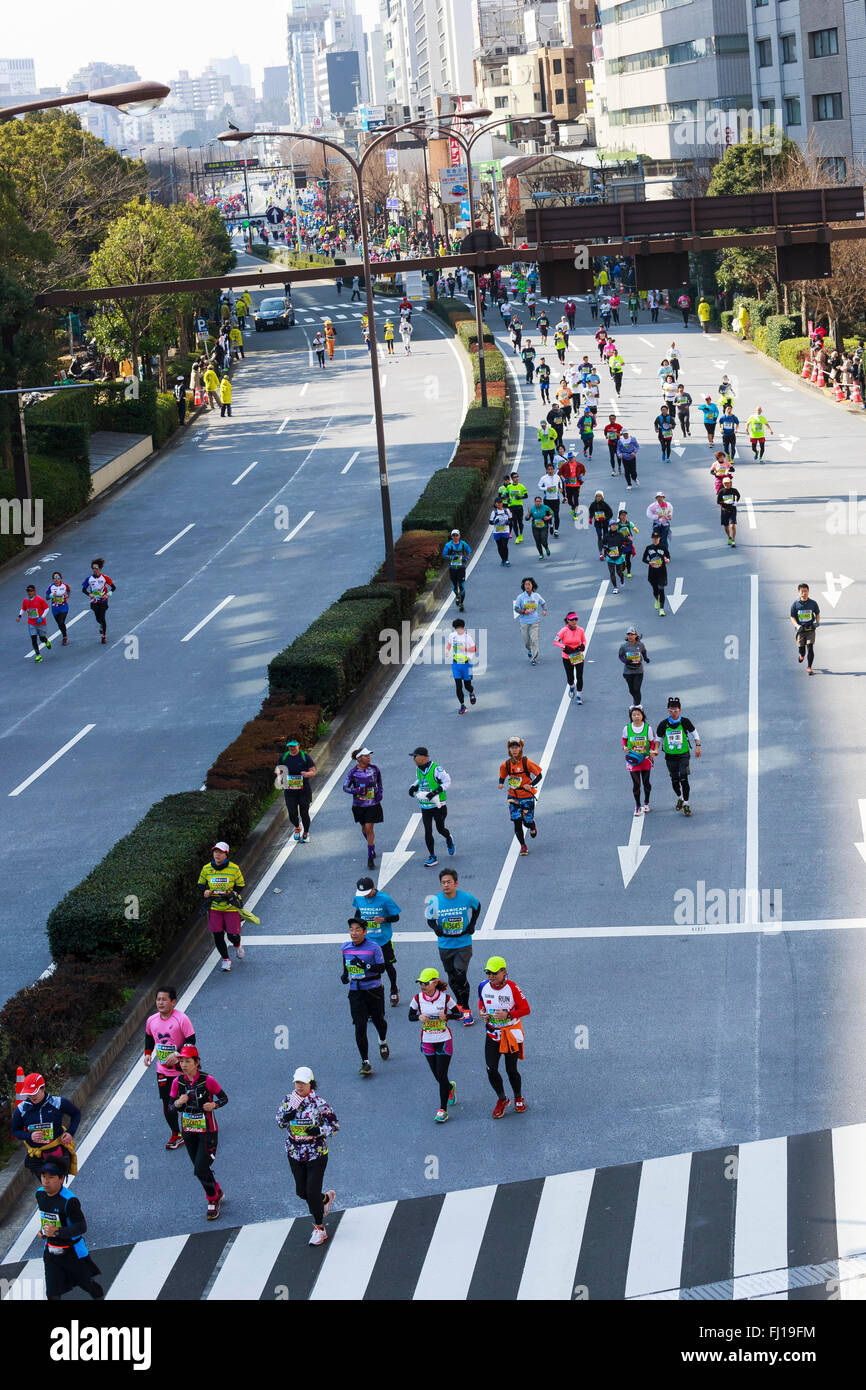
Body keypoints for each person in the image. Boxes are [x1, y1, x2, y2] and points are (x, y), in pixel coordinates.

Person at [276, 1067, 339, 1245]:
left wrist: (319, 1130)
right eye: (297, 1082)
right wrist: (285, 1117)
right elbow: (279, 1121)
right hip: (295, 1152)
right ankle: (324, 1199)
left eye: (303, 1083)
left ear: (311, 1084)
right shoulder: (289, 1101)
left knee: (311, 1192)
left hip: (315, 1153)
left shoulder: (319, 1103)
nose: (299, 1086)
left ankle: (320, 1228)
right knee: (301, 1192)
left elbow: (334, 1125)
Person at [169, 1045, 228, 1220]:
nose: (184, 1065)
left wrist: (214, 1105)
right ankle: (216, 1189)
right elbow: (170, 1108)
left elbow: (224, 1098)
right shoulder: (177, 1082)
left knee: (200, 1169)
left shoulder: (208, 1080)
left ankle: (212, 1200)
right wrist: (179, 1103)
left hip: (207, 1131)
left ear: (197, 1062)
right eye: (181, 1061)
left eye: (188, 1061)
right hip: (188, 1131)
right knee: (199, 1167)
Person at [35, 1164, 103, 1301]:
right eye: (43, 1176)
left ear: (61, 1179)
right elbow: (47, 1218)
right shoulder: (40, 1194)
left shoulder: (69, 1201)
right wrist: (43, 1232)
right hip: (51, 1252)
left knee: (87, 1284)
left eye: (51, 1177)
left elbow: (81, 1227)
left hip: (73, 1252)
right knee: (52, 1294)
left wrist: (57, 1232)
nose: (46, 1181)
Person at [425, 868, 481, 1024]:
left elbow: (477, 906)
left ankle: (466, 1008)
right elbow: (429, 918)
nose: (446, 885)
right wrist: (435, 927)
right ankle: (459, 1004)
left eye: (449, 882)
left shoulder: (466, 898)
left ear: (456, 883)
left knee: (460, 974)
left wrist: (472, 924)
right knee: (451, 976)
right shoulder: (435, 901)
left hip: (463, 942)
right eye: (443, 882)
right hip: (445, 944)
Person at [143, 986, 196, 1150]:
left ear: (173, 1002)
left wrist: (178, 1054)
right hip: (163, 1071)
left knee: (189, 1101)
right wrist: (147, 1053)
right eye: (158, 999)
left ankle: (197, 1127)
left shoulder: (182, 1019)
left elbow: (191, 1040)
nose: (160, 1002)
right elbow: (149, 1037)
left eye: (164, 999)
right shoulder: (151, 1020)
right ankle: (176, 1133)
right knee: (168, 1104)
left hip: (184, 1069)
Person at [478, 957, 531, 1119]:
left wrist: (508, 1014)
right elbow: (481, 1002)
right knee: (491, 1069)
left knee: (511, 1069)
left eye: (494, 973)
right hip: (492, 1034)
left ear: (504, 972)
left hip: (509, 1035)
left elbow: (526, 1009)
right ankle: (502, 1100)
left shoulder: (513, 988)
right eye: (488, 972)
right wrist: (482, 1013)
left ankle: (518, 1097)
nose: (491, 976)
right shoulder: (482, 986)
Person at [408, 969, 463, 1122]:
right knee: (438, 1076)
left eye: (425, 983)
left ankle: (443, 1110)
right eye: (420, 983)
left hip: (444, 1040)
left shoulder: (445, 998)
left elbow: (460, 1014)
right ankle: (450, 1087)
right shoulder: (417, 999)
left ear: (435, 983)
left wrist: (447, 1016)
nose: (422, 986)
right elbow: (410, 1016)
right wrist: (418, 1017)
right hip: (427, 1042)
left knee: (441, 1074)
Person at [341, 916, 389, 1075]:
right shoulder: (345, 947)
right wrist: (344, 975)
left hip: (374, 991)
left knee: (379, 1021)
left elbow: (381, 968)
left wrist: (366, 966)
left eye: (357, 930)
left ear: (365, 932)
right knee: (360, 1026)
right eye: (351, 929)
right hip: (356, 992)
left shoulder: (374, 947)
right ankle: (365, 1062)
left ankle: (382, 1041)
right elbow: (346, 964)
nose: (353, 933)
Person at [12, 1074, 80, 1179]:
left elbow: (76, 1114)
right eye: (29, 1094)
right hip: (37, 1156)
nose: (32, 1097)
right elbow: (15, 1131)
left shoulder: (57, 1103)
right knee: (48, 1187)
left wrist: (70, 1132)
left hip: (57, 1153)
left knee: (55, 1186)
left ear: (43, 1088)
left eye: (34, 1093)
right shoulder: (21, 1110)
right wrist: (29, 1136)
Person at [198, 841, 246, 972]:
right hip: (214, 908)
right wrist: (205, 891)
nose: (217, 855)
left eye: (220, 852)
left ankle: (237, 945)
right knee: (217, 935)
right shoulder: (206, 868)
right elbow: (201, 883)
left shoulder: (234, 868)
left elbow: (240, 885)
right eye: (215, 852)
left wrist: (232, 894)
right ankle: (226, 959)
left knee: (232, 935)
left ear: (226, 854)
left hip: (230, 907)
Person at [352, 877, 400, 1004]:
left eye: (367, 893)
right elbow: (358, 912)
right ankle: (370, 995)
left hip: (383, 940)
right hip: (366, 941)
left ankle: (394, 989)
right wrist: (358, 924)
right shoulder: (358, 897)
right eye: (363, 894)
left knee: (388, 966)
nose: (365, 896)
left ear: (373, 888)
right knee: (367, 968)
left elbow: (396, 917)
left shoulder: (385, 899)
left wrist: (384, 920)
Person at [656, 697, 701, 815]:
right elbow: (658, 738)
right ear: (668, 710)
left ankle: (686, 803)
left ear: (680, 710)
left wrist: (698, 746)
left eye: (675, 710)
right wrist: (655, 749)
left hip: (683, 755)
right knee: (674, 779)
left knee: (684, 778)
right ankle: (680, 798)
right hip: (670, 756)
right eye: (671, 710)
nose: (673, 713)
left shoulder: (685, 721)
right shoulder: (663, 724)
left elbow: (694, 732)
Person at [409, 746, 454, 866]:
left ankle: (448, 837)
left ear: (423, 757)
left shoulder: (436, 769)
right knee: (427, 831)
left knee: (440, 829)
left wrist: (435, 792)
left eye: (415, 756)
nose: (413, 759)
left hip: (439, 806)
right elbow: (420, 780)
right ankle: (433, 857)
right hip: (425, 807)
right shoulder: (418, 769)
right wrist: (413, 786)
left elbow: (447, 781)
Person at [498, 736, 542, 856]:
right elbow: (502, 775)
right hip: (513, 797)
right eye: (512, 747)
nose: (514, 750)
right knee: (517, 821)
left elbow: (539, 775)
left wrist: (530, 784)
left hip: (527, 796)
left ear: (520, 748)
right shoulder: (506, 765)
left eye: (516, 747)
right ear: (509, 749)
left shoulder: (526, 762)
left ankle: (532, 825)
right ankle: (523, 845)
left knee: (526, 822)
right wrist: (501, 783)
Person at [342, 748, 383, 868]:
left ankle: (370, 857)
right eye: (366, 756)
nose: (369, 757)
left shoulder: (374, 769)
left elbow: (379, 781)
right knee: (364, 829)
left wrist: (380, 792)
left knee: (369, 827)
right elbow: (345, 787)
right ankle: (372, 846)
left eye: (369, 755)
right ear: (359, 758)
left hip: (373, 804)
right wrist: (357, 790)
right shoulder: (353, 772)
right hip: (359, 805)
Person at [278, 737, 316, 841]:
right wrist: (280, 778)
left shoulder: (305, 757)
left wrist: (306, 774)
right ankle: (297, 827)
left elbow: (313, 771)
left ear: (298, 745)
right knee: (292, 814)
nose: (292, 748)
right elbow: (280, 770)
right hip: (290, 791)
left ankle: (306, 833)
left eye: (294, 746)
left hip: (303, 791)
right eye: (290, 746)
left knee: (304, 813)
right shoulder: (284, 757)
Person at [623, 705, 657, 816]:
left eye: (638, 714)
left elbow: (652, 741)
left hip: (646, 759)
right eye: (634, 715)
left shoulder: (648, 728)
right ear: (631, 716)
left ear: (642, 715)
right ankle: (637, 806)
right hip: (633, 760)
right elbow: (624, 740)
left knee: (646, 782)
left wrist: (652, 750)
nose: (636, 717)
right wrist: (625, 747)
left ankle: (646, 802)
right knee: (636, 784)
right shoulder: (627, 728)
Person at [553, 610, 587, 702]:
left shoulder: (581, 630)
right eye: (572, 620)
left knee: (579, 677)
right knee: (570, 677)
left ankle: (579, 696)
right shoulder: (563, 630)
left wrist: (583, 645)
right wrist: (564, 647)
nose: (574, 621)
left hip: (577, 655)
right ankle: (572, 686)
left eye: (576, 619)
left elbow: (584, 640)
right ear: (567, 620)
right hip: (567, 657)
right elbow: (555, 641)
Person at [513, 577, 547, 664]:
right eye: (526, 584)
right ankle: (530, 650)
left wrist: (544, 610)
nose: (527, 586)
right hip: (524, 622)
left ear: (532, 585)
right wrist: (523, 611)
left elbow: (543, 603)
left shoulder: (536, 596)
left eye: (529, 584)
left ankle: (534, 658)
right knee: (527, 641)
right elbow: (516, 608)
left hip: (534, 622)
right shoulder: (520, 597)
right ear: (523, 586)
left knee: (534, 639)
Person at [81, 558, 115, 644]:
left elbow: (113, 588)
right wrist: (89, 594)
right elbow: (83, 589)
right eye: (93, 568)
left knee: (103, 617)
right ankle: (100, 625)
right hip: (94, 601)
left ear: (99, 569)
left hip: (103, 601)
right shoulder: (89, 579)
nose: (94, 570)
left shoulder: (105, 578)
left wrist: (107, 594)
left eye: (96, 568)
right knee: (98, 618)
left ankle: (104, 636)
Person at [790, 582, 820, 674]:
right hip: (800, 630)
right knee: (802, 650)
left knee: (810, 648)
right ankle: (801, 655)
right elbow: (792, 617)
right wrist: (797, 625)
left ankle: (809, 667)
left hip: (810, 629)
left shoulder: (813, 603)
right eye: (802, 591)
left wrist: (817, 622)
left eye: (806, 591)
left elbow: (817, 613)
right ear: (798, 592)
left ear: (808, 591)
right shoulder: (795, 604)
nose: (804, 593)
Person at [17, 585, 52, 661]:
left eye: (31, 591)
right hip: (31, 623)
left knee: (42, 638)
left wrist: (41, 617)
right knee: (33, 639)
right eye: (28, 591)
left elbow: (47, 608)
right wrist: (20, 616)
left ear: (34, 591)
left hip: (41, 623)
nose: (29, 592)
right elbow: (23, 608)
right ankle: (38, 655)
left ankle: (46, 641)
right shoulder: (26, 600)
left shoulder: (39, 599)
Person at [619, 626, 650, 703]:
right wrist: (626, 661)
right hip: (628, 671)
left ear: (636, 635)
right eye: (628, 634)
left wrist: (645, 658)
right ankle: (636, 700)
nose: (630, 636)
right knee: (631, 690)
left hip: (638, 671)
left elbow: (644, 651)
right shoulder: (624, 646)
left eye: (632, 634)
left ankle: (637, 705)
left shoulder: (640, 645)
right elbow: (620, 656)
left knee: (637, 688)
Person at [443, 528, 471, 611]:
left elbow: (469, 551)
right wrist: (452, 557)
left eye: (456, 535)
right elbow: (444, 555)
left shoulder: (463, 544)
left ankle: (461, 604)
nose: (455, 537)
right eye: (453, 535)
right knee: (454, 586)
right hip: (452, 569)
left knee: (462, 586)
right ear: (451, 536)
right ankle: (457, 596)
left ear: (459, 536)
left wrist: (466, 558)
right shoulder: (448, 545)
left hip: (461, 568)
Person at [643, 530, 670, 616]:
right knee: (655, 590)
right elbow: (644, 559)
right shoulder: (648, 548)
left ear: (659, 538)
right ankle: (656, 598)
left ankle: (661, 609)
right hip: (652, 572)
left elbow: (668, 556)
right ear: (652, 538)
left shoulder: (663, 547)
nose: (655, 539)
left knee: (661, 588)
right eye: (654, 538)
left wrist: (667, 559)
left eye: (657, 538)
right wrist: (649, 562)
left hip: (662, 571)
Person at [45, 572, 71, 645]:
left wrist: (67, 595)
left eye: (58, 578)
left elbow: (68, 591)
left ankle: (64, 637)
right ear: (53, 579)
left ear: (60, 578)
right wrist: (51, 595)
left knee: (61, 621)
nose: (56, 580)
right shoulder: (51, 587)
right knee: (59, 624)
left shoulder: (65, 585)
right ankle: (64, 634)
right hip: (55, 608)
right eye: (55, 578)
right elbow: (47, 597)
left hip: (63, 606)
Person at [558, 448, 585, 517]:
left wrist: (580, 476)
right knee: (569, 499)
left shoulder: (579, 464)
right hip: (568, 485)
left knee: (576, 498)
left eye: (572, 458)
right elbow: (560, 473)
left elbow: (583, 471)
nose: (571, 459)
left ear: (574, 457)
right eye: (569, 458)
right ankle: (572, 506)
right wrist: (563, 479)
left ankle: (575, 513)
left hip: (577, 485)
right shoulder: (565, 465)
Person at [538, 460, 562, 536]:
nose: (550, 471)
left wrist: (561, 488)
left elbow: (560, 483)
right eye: (549, 469)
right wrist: (545, 488)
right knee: (549, 515)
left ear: (554, 469)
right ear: (546, 470)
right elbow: (539, 486)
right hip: (547, 499)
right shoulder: (543, 478)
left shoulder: (557, 477)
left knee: (556, 514)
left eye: (552, 469)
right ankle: (551, 525)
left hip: (556, 499)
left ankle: (556, 530)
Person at [717, 473, 741, 546]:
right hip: (724, 511)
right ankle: (729, 537)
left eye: (728, 483)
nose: (726, 485)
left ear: (730, 483)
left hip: (732, 510)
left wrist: (736, 502)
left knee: (732, 526)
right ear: (723, 484)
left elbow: (738, 496)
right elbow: (718, 501)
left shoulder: (734, 490)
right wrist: (725, 502)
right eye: (725, 483)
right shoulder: (721, 491)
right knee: (726, 527)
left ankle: (733, 540)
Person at [615, 507, 639, 577]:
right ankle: (623, 566)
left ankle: (628, 572)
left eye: (625, 515)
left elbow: (634, 527)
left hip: (628, 542)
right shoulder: (617, 525)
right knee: (621, 558)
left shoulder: (629, 523)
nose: (623, 516)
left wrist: (635, 529)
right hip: (620, 543)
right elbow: (613, 532)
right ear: (619, 516)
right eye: (622, 515)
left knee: (628, 558)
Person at [506, 472, 529, 543]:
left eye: (517, 477)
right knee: (514, 522)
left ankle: (521, 534)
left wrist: (520, 497)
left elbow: (526, 495)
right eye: (514, 477)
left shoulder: (522, 486)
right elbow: (506, 496)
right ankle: (517, 537)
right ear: (512, 479)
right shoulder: (509, 487)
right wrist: (508, 499)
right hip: (512, 507)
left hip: (519, 506)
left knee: (520, 522)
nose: (516, 478)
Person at [489, 499, 513, 566]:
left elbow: (511, 519)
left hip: (505, 530)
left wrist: (508, 522)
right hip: (497, 531)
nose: (499, 504)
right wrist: (495, 522)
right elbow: (490, 522)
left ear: (502, 503)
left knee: (504, 545)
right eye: (497, 503)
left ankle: (507, 560)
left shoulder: (506, 510)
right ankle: (503, 559)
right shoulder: (494, 512)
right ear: (495, 504)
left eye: (500, 503)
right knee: (499, 546)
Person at [590, 491, 613, 557]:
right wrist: (591, 518)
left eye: (600, 496)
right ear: (595, 497)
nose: (598, 497)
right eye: (597, 496)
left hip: (605, 523)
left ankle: (605, 549)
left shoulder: (605, 504)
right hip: (597, 524)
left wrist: (605, 518)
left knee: (605, 537)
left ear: (602, 497)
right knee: (599, 536)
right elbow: (591, 511)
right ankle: (600, 553)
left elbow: (610, 513)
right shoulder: (593, 504)